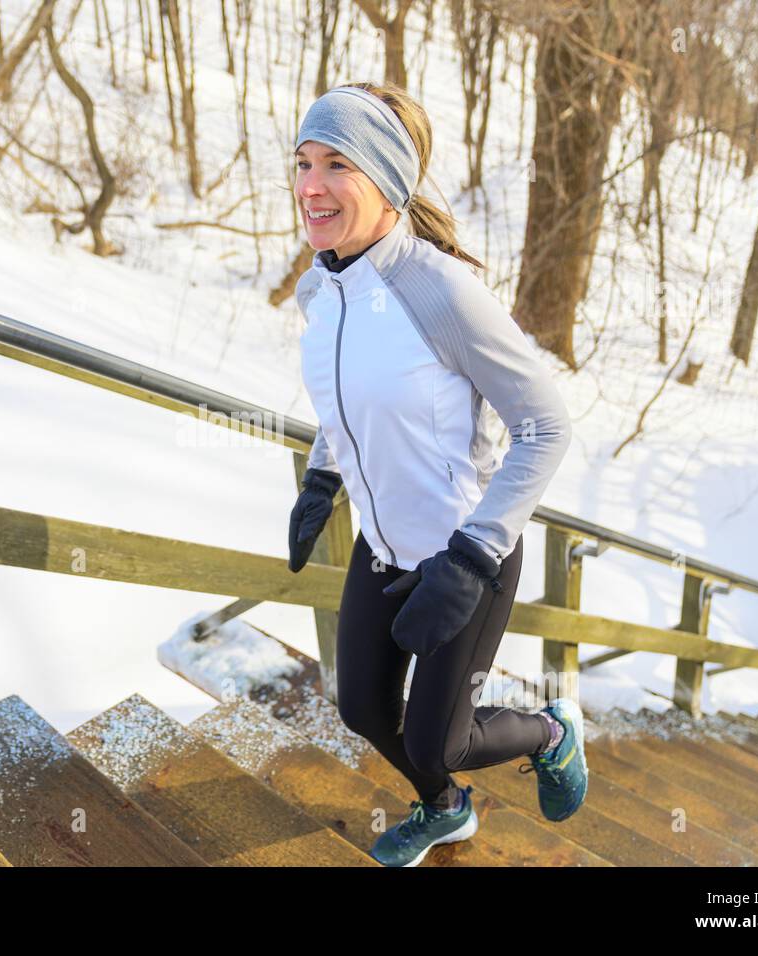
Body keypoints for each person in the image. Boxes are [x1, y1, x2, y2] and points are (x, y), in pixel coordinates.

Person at [287, 82, 587, 867]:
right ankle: (447, 810)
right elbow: (349, 401)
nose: (311, 186)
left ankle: (551, 731)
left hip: (466, 555)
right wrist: (323, 477)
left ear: (386, 180)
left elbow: (545, 425)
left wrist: (473, 553)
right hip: (382, 548)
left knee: (441, 737)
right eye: (303, 162)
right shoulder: (319, 289)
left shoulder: (442, 291)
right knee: (361, 710)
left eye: (337, 164)